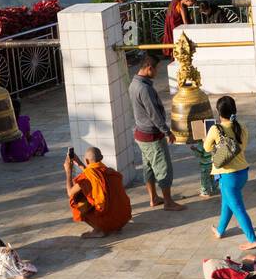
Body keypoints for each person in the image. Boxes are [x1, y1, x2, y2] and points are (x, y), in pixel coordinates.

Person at [129, 54, 185, 211]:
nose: (157, 72)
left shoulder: (134, 84)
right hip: (151, 135)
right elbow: (154, 114)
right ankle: (168, 201)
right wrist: (167, 132)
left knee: (148, 168)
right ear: (148, 68)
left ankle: (153, 198)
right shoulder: (144, 88)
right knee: (163, 168)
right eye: (156, 69)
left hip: (141, 133)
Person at [205, 96, 256, 249]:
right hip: (242, 173)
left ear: (219, 112)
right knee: (227, 203)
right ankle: (220, 230)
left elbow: (207, 148)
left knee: (238, 208)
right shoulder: (241, 126)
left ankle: (252, 239)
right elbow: (243, 146)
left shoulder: (215, 129)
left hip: (227, 175)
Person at [66, 146, 132, 238]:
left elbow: (70, 192)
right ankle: (112, 225)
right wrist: (80, 164)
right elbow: (93, 175)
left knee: (76, 200)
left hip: (106, 223)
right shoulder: (111, 172)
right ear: (101, 158)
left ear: (87, 161)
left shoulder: (88, 177)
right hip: (123, 218)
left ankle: (98, 230)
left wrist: (68, 171)